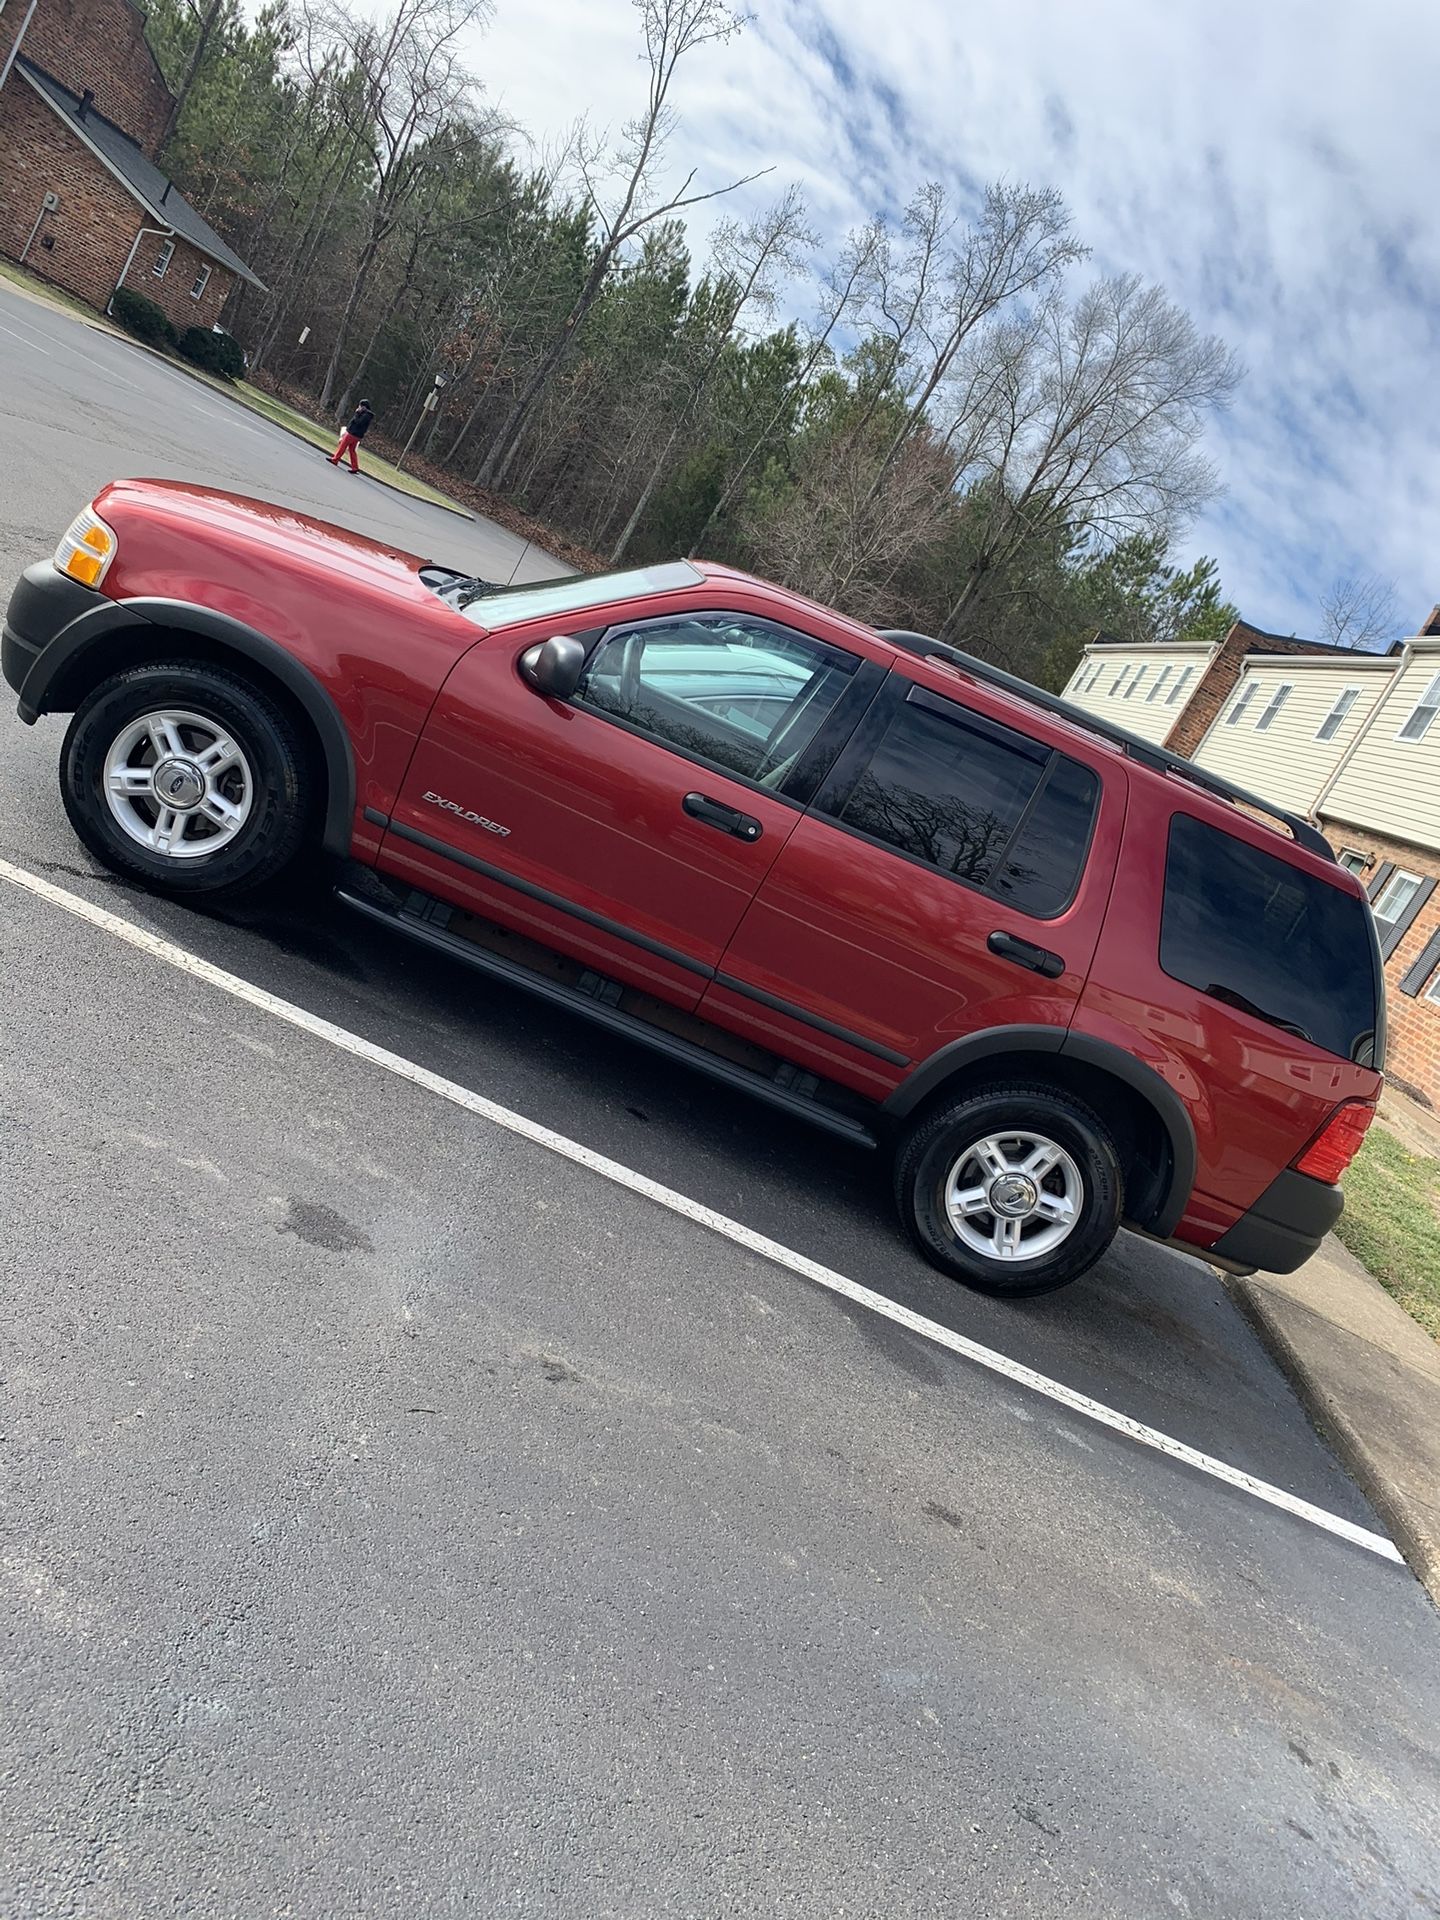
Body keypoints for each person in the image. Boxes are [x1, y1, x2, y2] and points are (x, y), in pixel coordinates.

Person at [328, 399, 375, 473]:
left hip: (353, 433)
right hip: (356, 435)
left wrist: (357, 413)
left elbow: (358, 422)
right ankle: (355, 467)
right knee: (352, 450)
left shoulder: (366, 415)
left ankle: (335, 459)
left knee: (342, 446)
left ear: (364, 407)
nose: (359, 407)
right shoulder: (365, 414)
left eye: (360, 406)